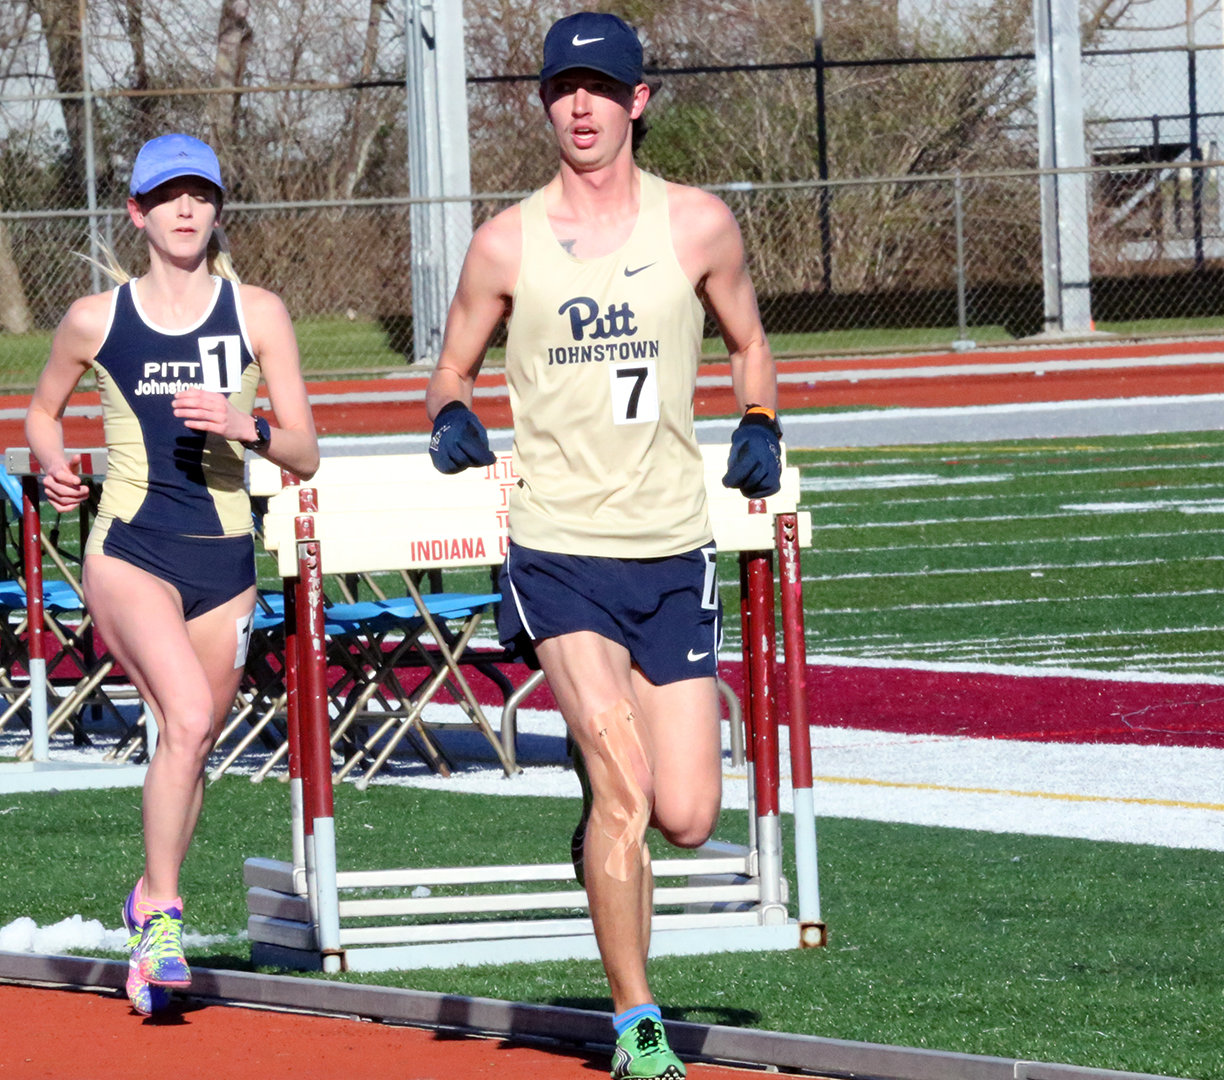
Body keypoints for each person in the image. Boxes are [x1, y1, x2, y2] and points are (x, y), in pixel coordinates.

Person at [423, 13, 782, 1079]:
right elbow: (449, 372)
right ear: (544, 103)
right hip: (559, 552)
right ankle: (639, 1026)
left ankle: (600, 824)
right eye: (561, 89)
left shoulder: (699, 226)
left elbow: (751, 343)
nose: (579, 107)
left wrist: (758, 421)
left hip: (670, 554)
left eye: (599, 87)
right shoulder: (506, 241)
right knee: (625, 789)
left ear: (639, 101)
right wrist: (452, 417)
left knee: (683, 813)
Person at [25, 133, 319, 1016]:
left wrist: (247, 426)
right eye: (168, 197)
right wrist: (53, 467)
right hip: (130, 548)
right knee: (188, 717)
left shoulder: (257, 312)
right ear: (138, 213)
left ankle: (147, 902)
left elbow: (306, 451)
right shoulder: (97, 318)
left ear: (218, 207)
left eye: (200, 195)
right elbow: (43, 412)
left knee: (188, 745)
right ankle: (166, 922)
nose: (186, 210)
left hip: (224, 558)